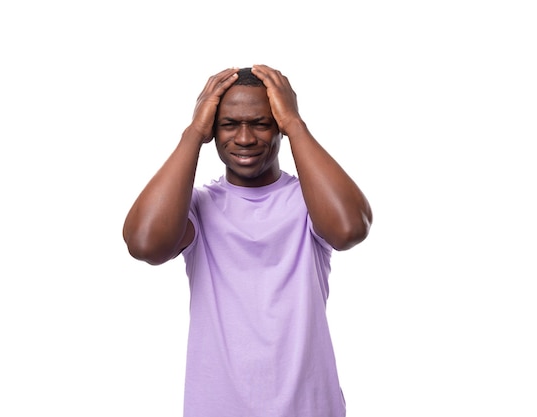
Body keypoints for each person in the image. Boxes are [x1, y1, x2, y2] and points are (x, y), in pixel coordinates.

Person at [122, 64, 373, 417]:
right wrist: (193, 132)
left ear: (279, 127)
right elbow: (144, 244)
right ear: (213, 128)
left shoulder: (309, 201)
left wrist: (297, 125)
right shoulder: (197, 207)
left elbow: (349, 229)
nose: (244, 138)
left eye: (260, 123)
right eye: (229, 124)